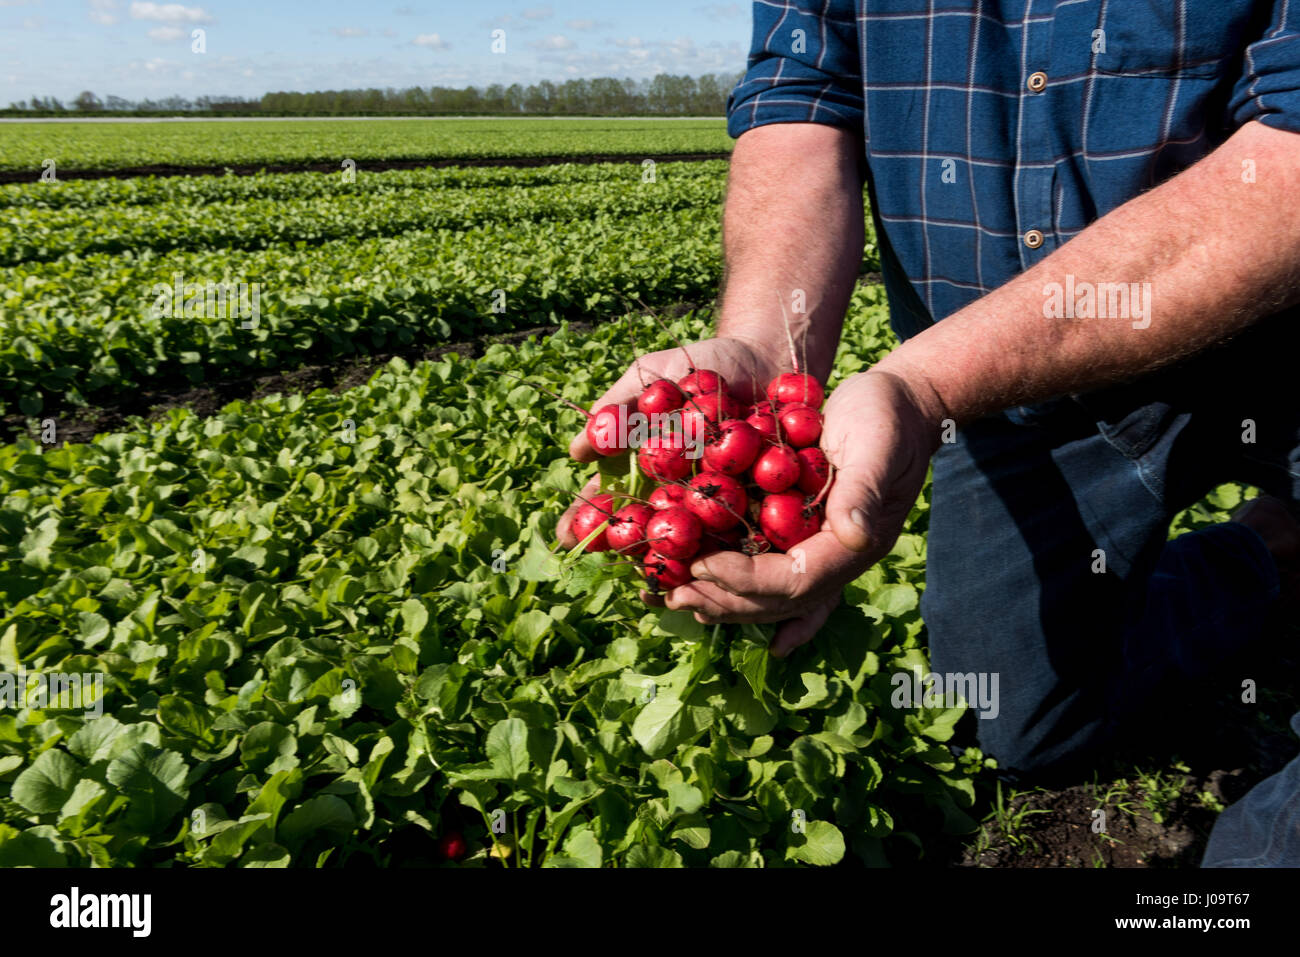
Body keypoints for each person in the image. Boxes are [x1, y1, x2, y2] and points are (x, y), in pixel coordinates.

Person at [559, 1, 1300, 866]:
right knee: (1011, 714)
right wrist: (766, 347)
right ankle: (1271, 547)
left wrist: (925, 382)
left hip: (1278, 336)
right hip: (1025, 373)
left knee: (1260, 854)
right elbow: (804, 97)